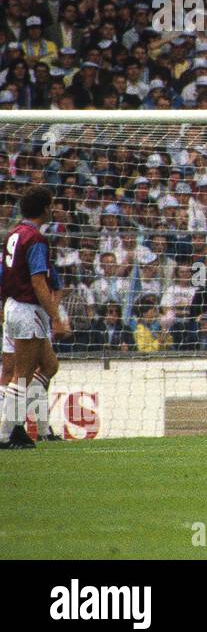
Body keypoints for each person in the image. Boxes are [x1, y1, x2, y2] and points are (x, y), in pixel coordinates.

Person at [0, 185, 71, 448]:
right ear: (45, 208)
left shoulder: (14, 234)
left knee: (47, 366)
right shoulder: (36, 239)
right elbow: (39, 282)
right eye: (50, 205)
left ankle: (24, 428)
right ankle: (8, 432)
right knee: (22, 374)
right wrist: (56, 317)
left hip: (13, 306)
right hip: (27, 309)